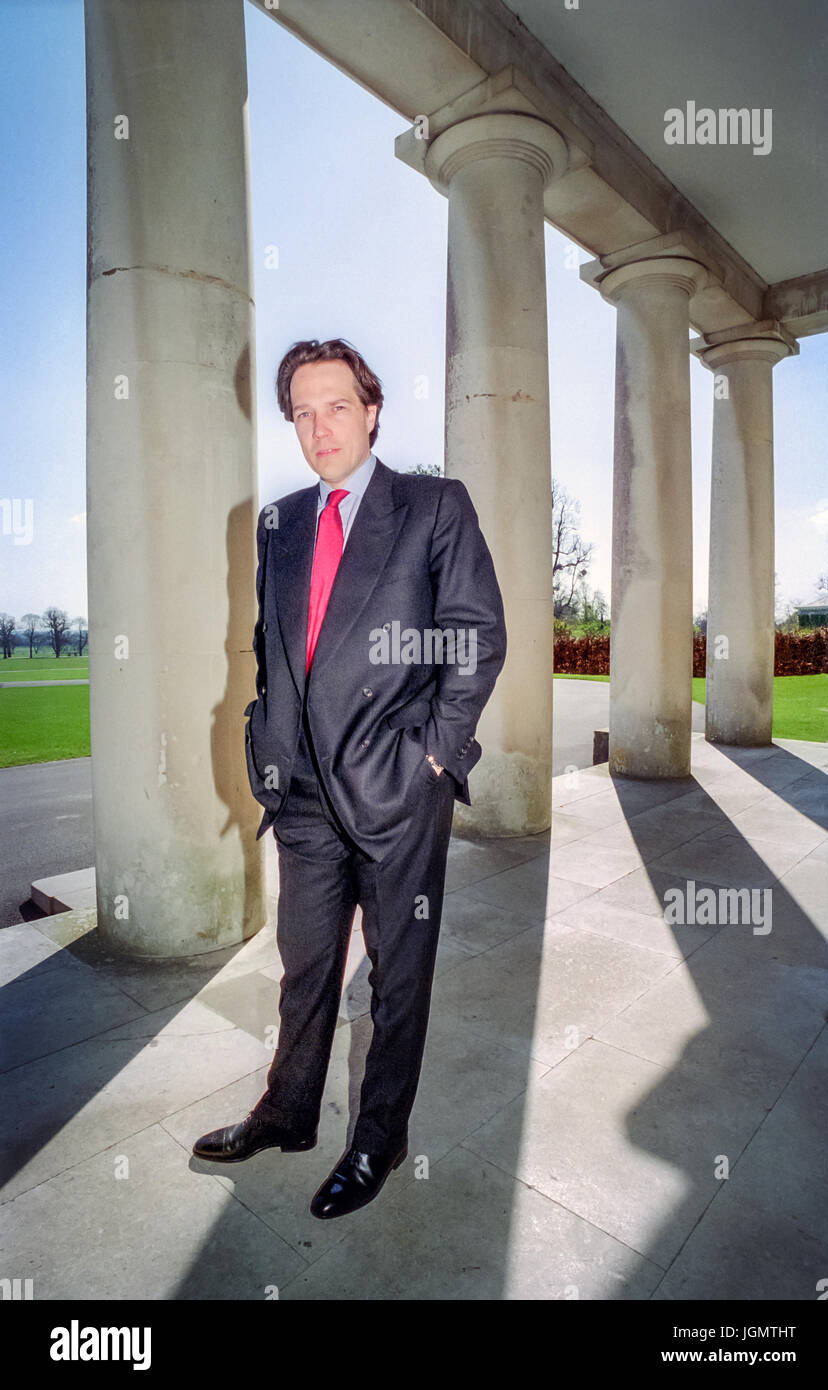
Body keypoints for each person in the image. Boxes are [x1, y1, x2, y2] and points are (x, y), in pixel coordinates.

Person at [193, 338, 506, 1218]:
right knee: (304, 967)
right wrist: (265, 740)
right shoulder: (280, 523)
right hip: (300, 797)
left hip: (398, 791)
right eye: (302, 411)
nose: (319, 426)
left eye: (337, 406)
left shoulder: (433, 507)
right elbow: (274, 648)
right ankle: (288, 1112)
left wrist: (435, 755)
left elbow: (474, 634)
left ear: (371, 411)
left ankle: (378, 1138)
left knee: (398, 977)